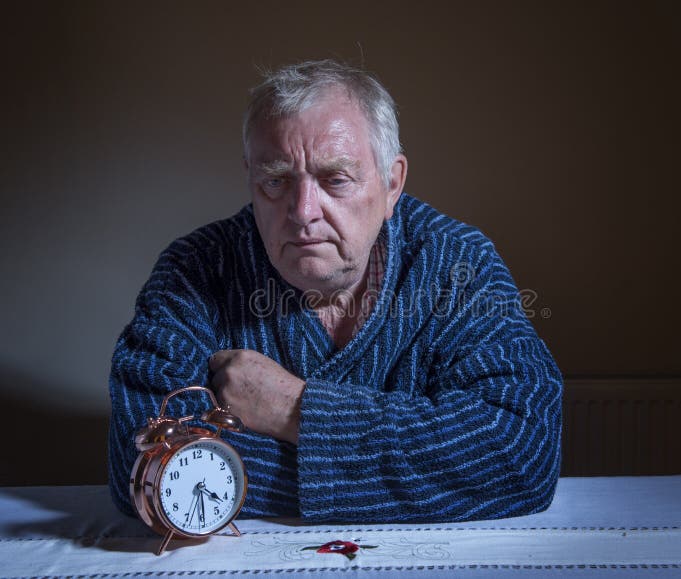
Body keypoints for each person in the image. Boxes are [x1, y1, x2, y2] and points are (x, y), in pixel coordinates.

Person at [108, 59, 562, 523]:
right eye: (275, 181)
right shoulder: (194, 270)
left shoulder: (458, 265)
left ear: (392, 183)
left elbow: (520, 452)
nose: (303, 211)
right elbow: (144, 463)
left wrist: (293, 410)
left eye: (336, 179)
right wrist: (429, 464)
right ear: (250, 175)